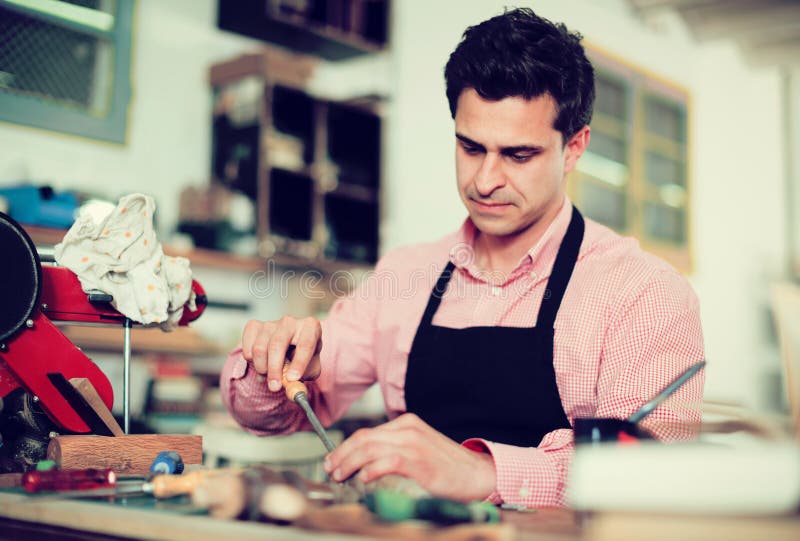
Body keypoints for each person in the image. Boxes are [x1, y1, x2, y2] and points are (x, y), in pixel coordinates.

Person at [221, 7, 704, 508]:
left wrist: (482, 471)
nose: (485, 180)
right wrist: (272, 367)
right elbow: (274, 416)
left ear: (573, 148)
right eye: (471, 147)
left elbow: (647, 473)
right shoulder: (405, 276)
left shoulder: (644, 293)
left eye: (518, 155)